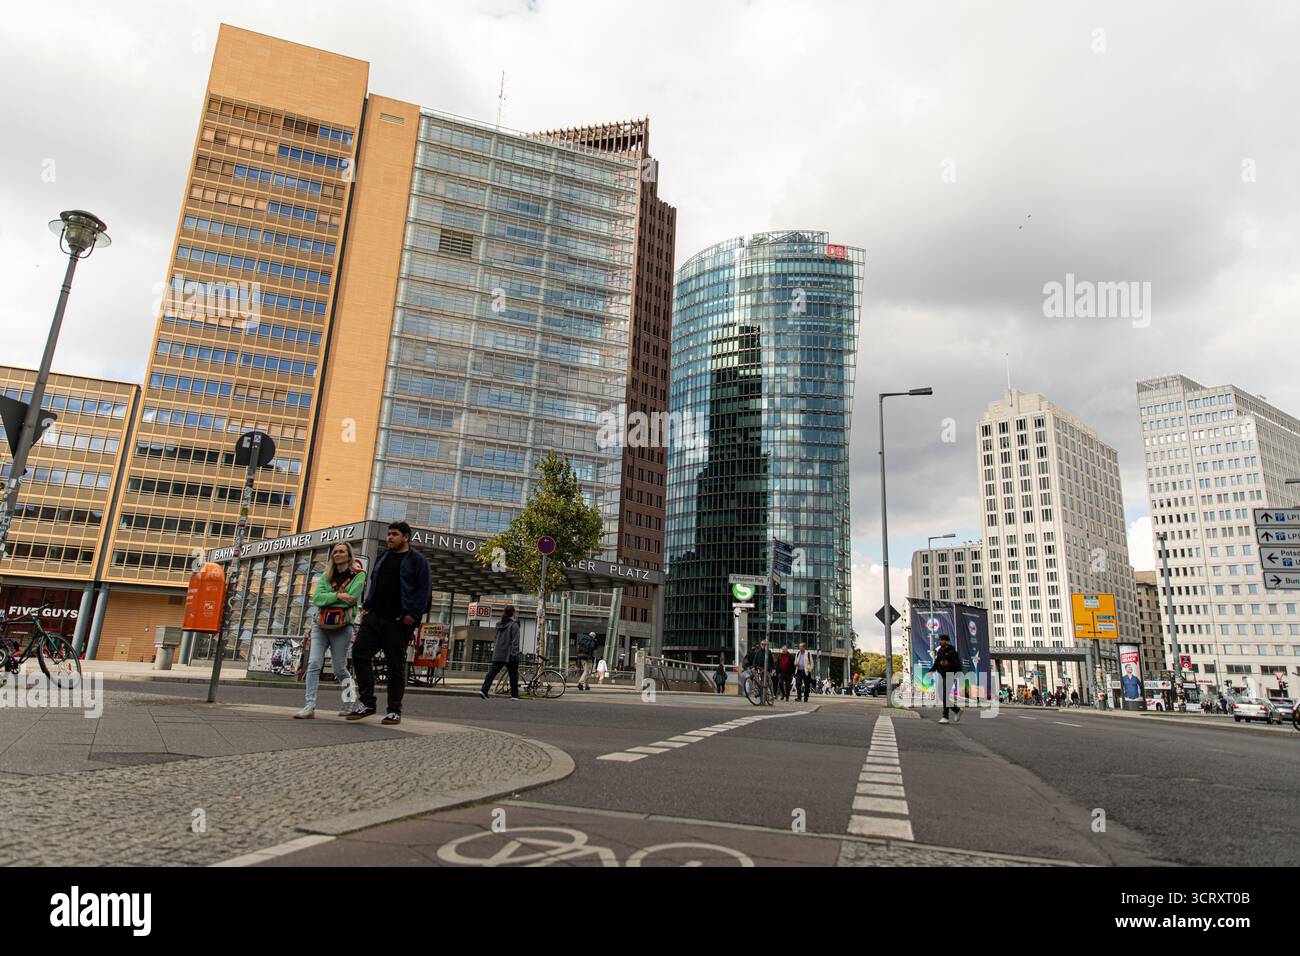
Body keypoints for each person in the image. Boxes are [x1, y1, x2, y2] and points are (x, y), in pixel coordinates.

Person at [348, 521, 432, 725]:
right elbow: (375, 583)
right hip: (375, 616)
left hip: (399, 621)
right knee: (359, 653)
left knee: (395, 665)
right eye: (389, 534)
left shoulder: (417, 560)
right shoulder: (383, 557)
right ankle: (367, 702)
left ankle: (394, 710)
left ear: (406, 537)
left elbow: (424, 589)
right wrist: (367, 606)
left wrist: (413, 614)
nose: (390, 538)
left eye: (394, 534)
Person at [296, 542, 366, 719]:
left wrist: (333, 598)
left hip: (342, 627)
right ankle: (309, 705)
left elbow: (352, 599)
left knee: (339, 668)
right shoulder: (326, 576)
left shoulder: (359, 575)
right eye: (335, 552)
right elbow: (318, 599)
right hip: (320, 625)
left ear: (349, 556)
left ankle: (349, 700)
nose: (338, 554)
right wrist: (337, 595)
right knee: (313, 664)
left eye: (342, 551)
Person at [479, 605, 521, 699]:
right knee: (513, 674)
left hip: (498, 653)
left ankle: (484, 690)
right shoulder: (514, 625)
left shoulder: (499, 625)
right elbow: (515, 641)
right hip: (510, 654)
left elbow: (496, 638)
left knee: (492, 672)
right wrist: (514, 653)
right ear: (513, 613)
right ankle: (514, 695)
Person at [928, 633, 963, 723]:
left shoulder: (952, 651)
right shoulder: (940, 651)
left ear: (946, 641)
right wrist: (930, 672)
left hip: (950, 674)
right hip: (942, 675)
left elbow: (957, 665)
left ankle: (945, 716)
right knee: (941, 696)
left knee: (944, 695)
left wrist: (949, 664)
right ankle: (956, 710)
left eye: (942, 640)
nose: (940, 641)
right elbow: (936, 662)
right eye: (939, 640)